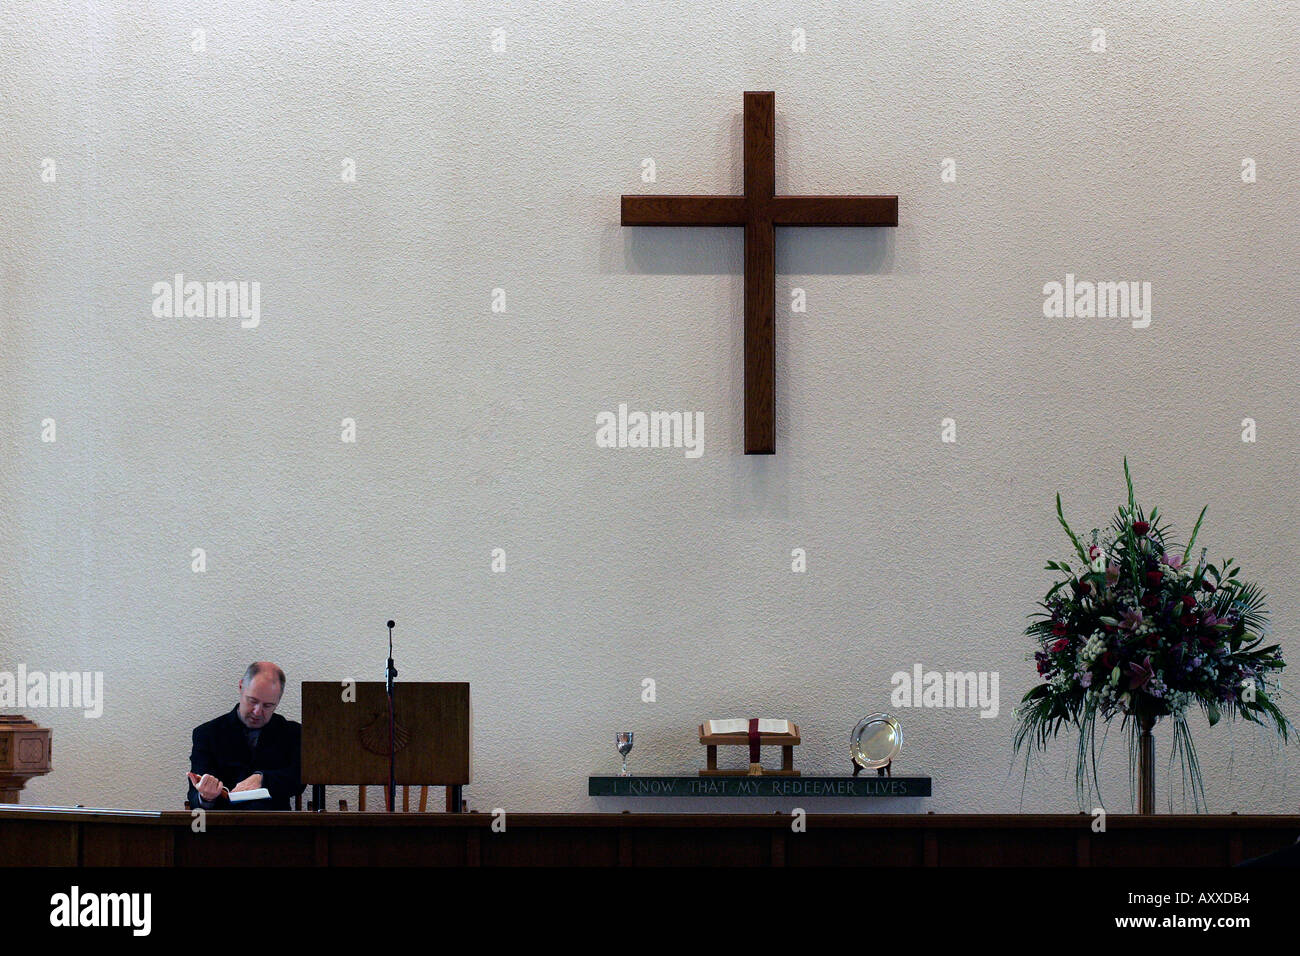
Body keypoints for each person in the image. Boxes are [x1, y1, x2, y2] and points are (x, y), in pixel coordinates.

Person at [186, 661, 303, 810]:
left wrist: (262, 779)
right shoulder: (207, 734)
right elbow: (194, 797)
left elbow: (299, 780)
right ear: (241, 687)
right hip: (223, 828)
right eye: (252, 701)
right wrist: (205, 797)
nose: (257, 712)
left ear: (278, 701)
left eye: (268, 706)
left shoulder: (293, 733)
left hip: (276, 827)